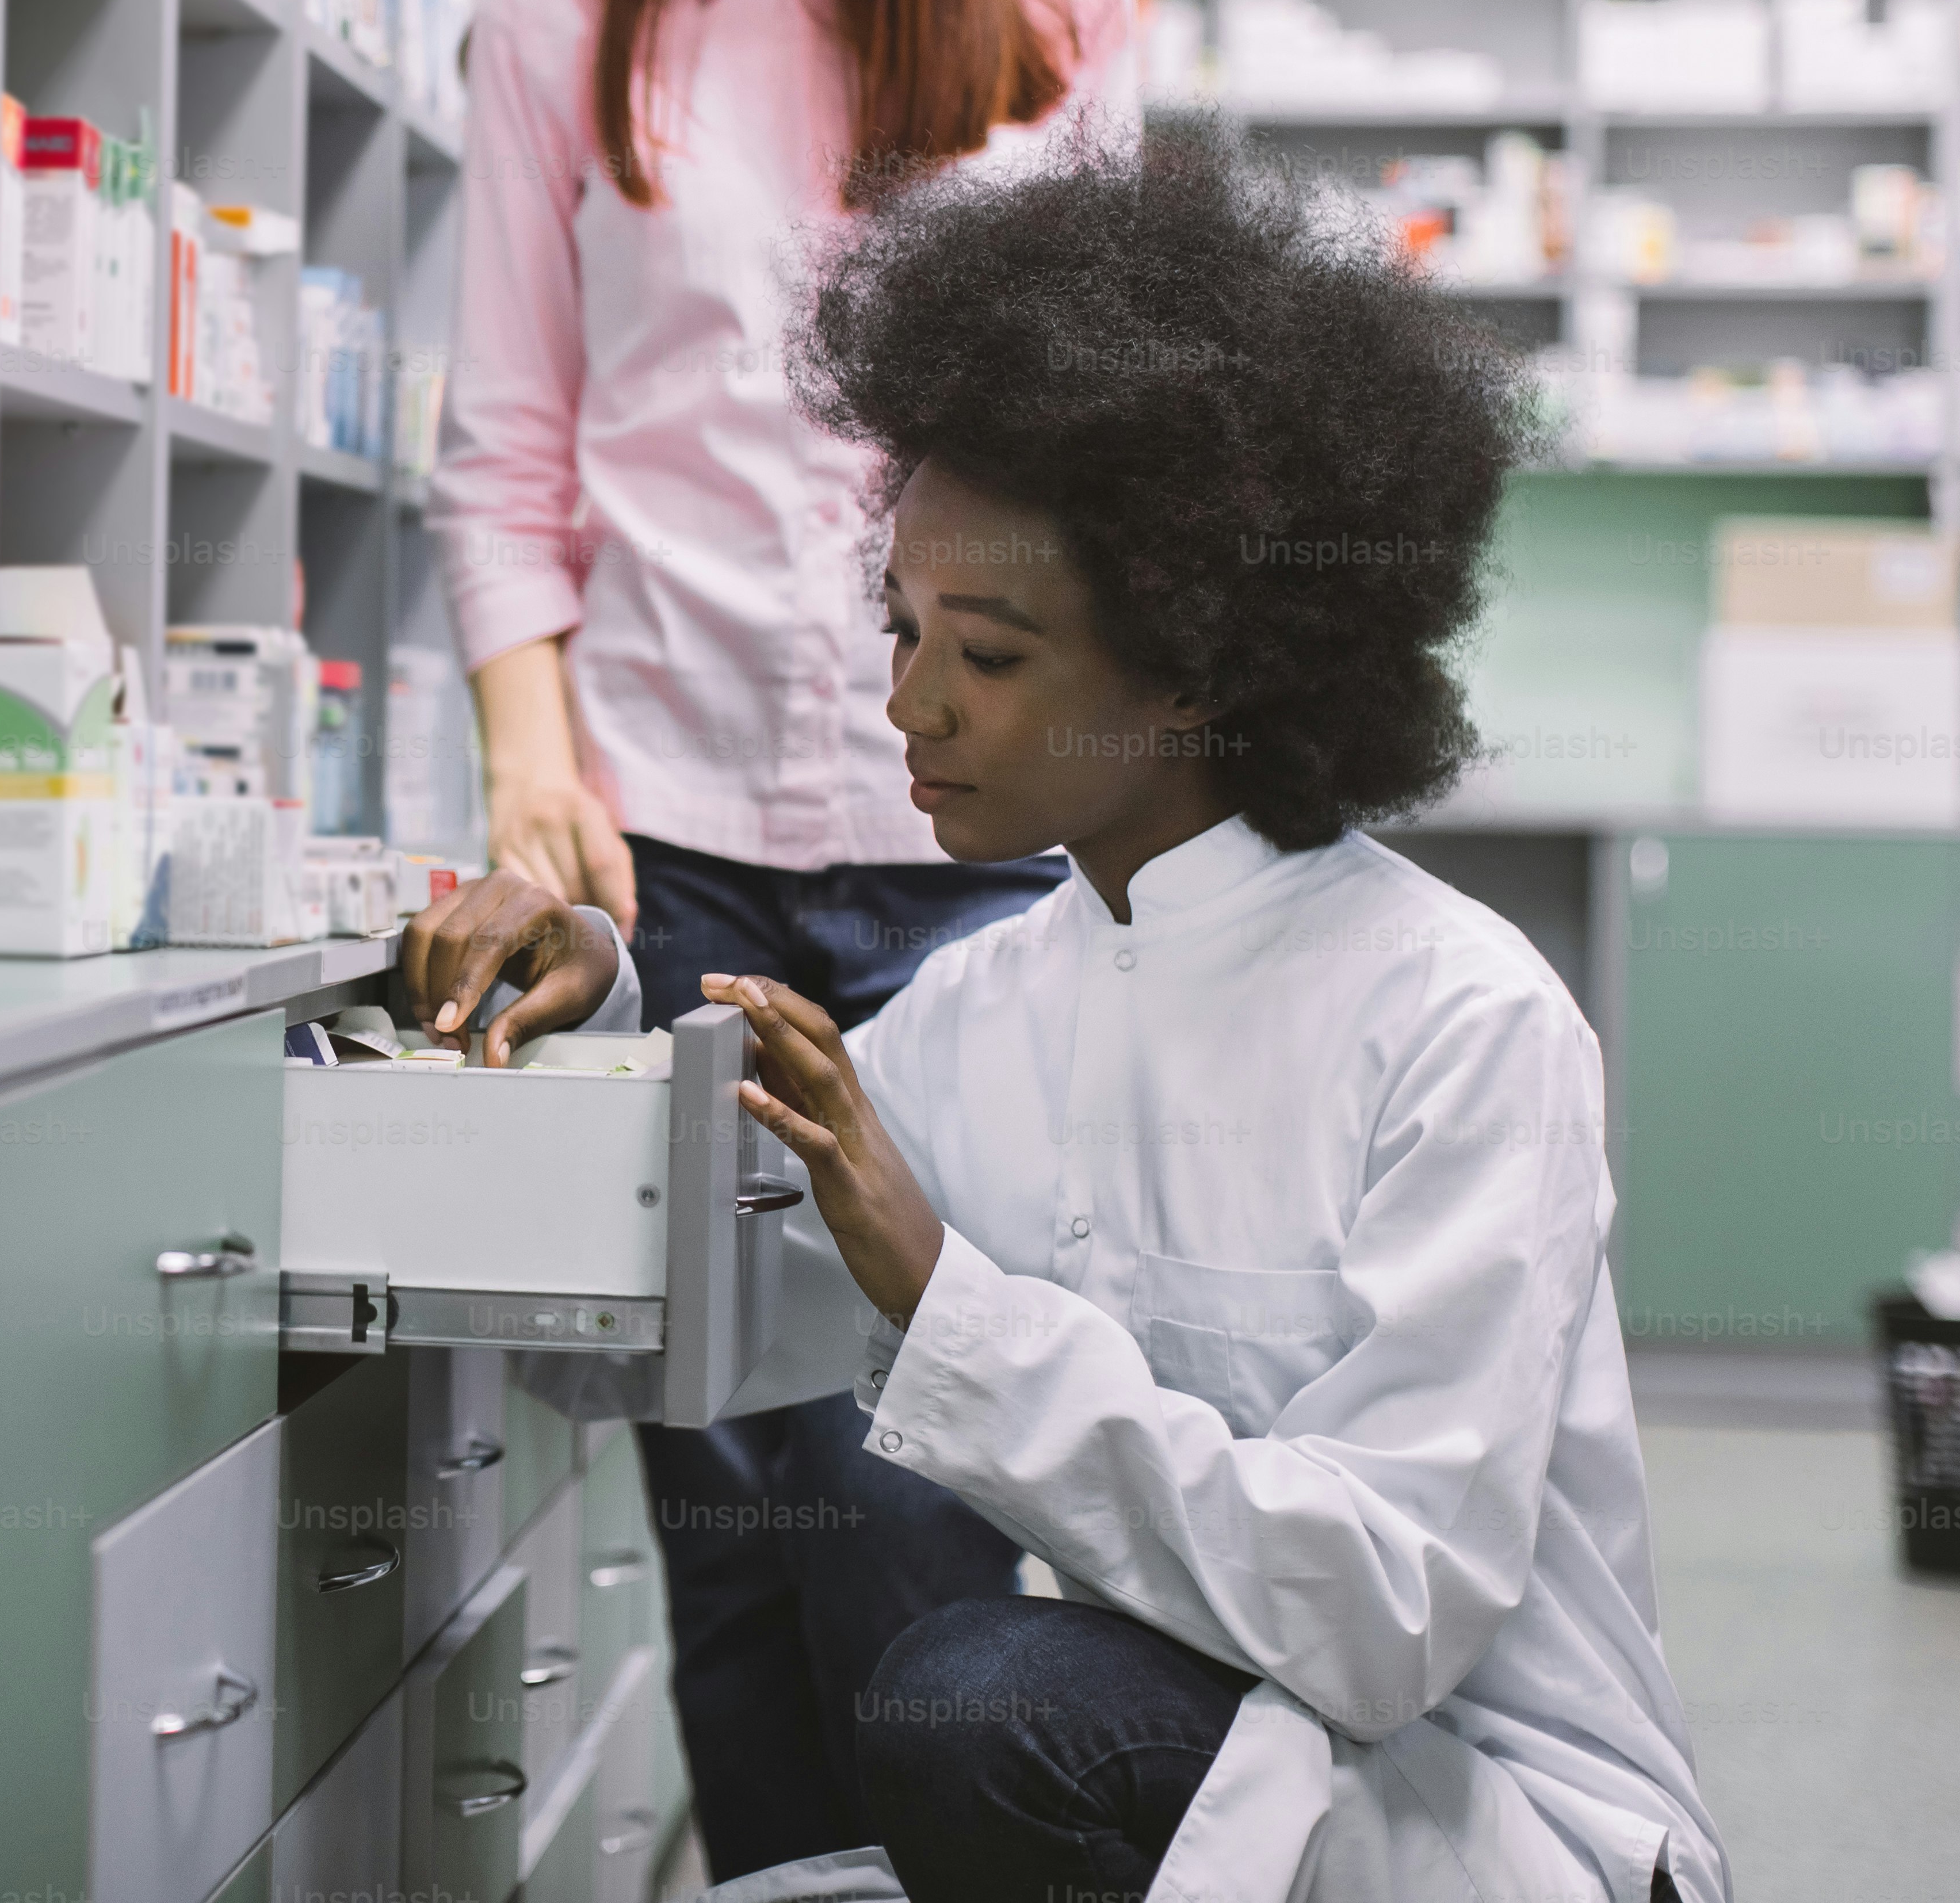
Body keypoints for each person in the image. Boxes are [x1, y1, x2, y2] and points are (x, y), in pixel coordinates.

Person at [411, 131, 1731, 1903]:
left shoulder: (1460, 1019)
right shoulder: (982, 1005)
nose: (909, 705)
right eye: (897, 629)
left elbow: (1377, 1620)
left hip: (1480, 1832)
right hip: (1178, 1801)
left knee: (980, 1699)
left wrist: (943, 1297)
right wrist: (558, 1029)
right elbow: (666, 1340)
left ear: (1193, 658)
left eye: (990, 653)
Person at [425, 0, 1140, 1871]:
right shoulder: (561, 18)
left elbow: (1130, 456)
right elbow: (507, 443)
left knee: (927, 1477)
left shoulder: (1058, 18)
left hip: (981, 857)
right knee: (729, 1498)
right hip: (680, 851)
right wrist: (538, 758)